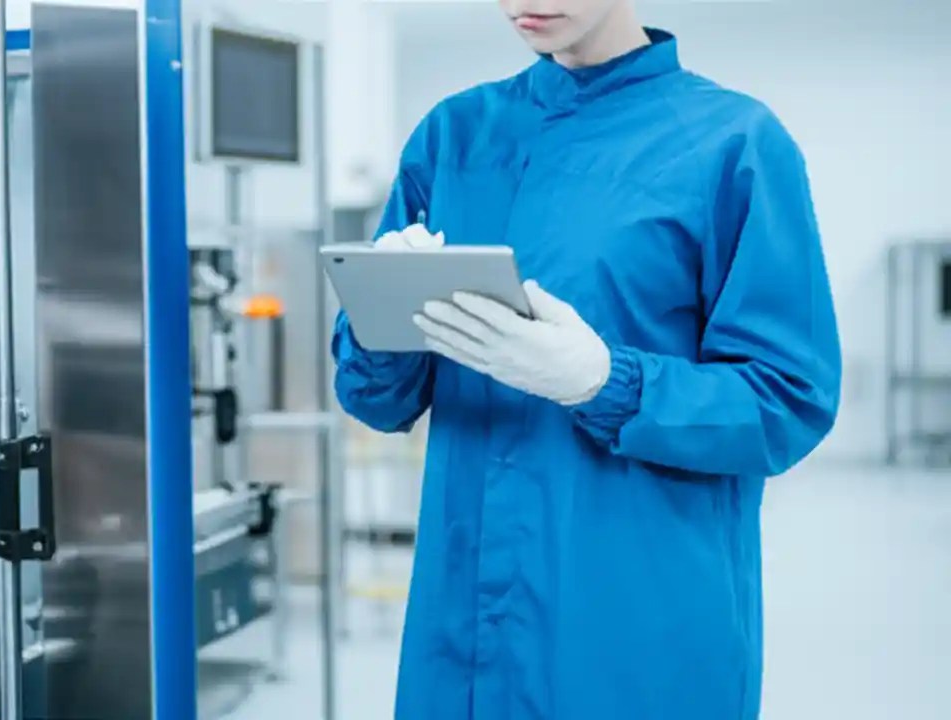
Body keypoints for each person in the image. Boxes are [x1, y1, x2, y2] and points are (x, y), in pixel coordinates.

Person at [331, 1, 842, 719]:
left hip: (634, 623)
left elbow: (788, 399)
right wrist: (375, 317)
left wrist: (608, 383)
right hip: (465, 624)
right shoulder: (453, 137)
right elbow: (378, 400)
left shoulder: (733, 143)